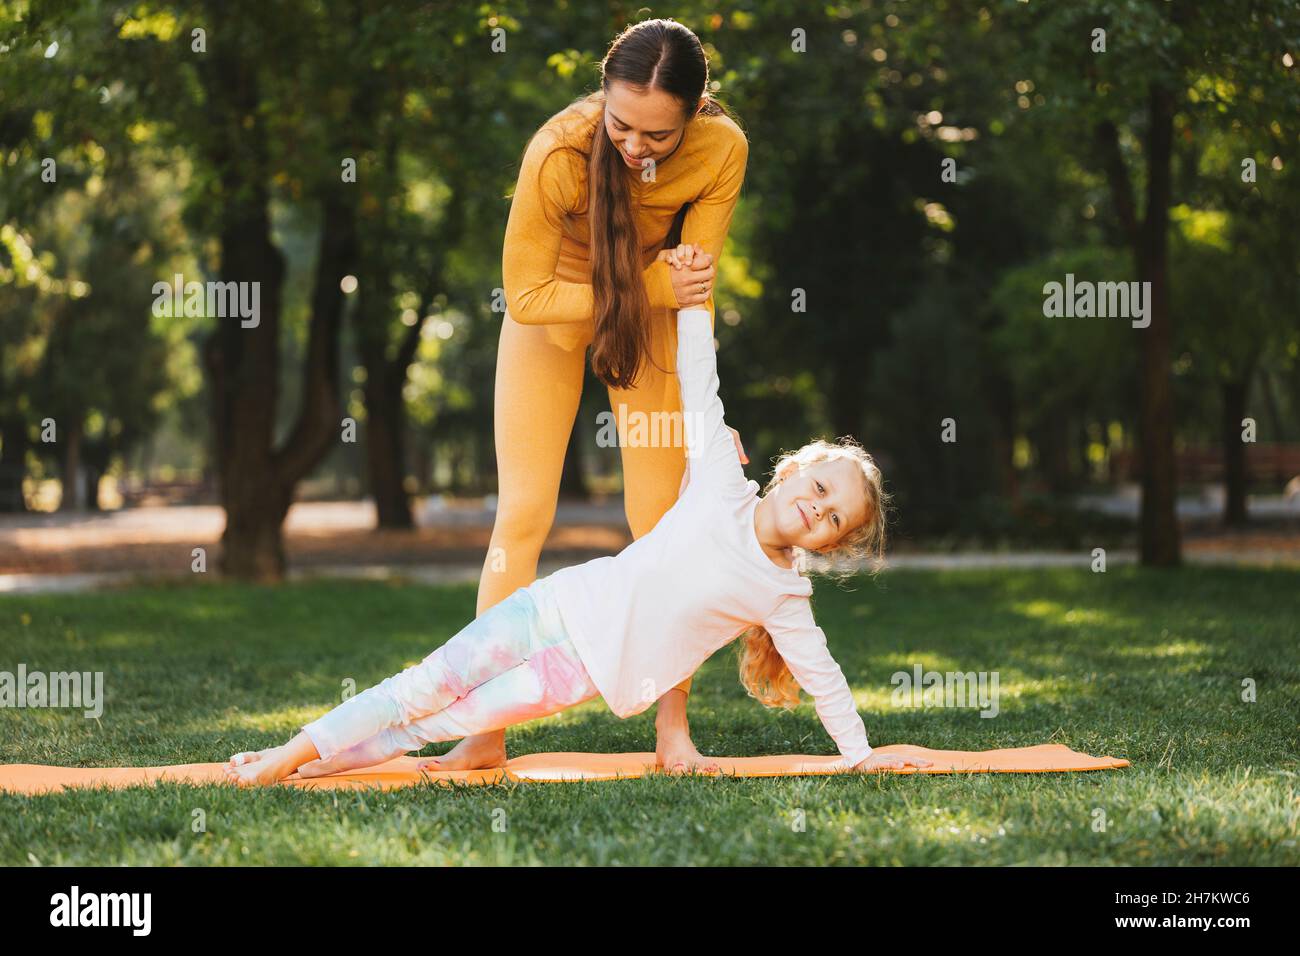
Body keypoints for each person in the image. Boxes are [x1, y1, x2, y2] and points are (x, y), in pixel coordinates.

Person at [224, 299, 933, 785]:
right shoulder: (720, 477)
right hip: (551, 608)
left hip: (581, 675)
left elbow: (825, 677)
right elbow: (698, 382)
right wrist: (690, 298)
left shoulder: (783, 593)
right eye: (820, 489)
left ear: (833, 543)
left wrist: (861, 753)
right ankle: (290, 752)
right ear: (792, 472)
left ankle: (309, 765)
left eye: (835, 519)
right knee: (423, 685)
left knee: (441, 721)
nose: (818, 510)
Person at [443, 17, 752, 774]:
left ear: (695, 113)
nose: (635, 147)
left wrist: (707, 417)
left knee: (663, 522)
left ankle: (673, 734)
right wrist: (649, 283)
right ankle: (485, 733)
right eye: (621, 125)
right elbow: (528, 295)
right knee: (521, 517)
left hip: (645, 327)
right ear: (603, 98)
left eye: (658, 135)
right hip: (554, 317)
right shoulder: (557, 152)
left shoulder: (724, 149)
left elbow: (692, 288)